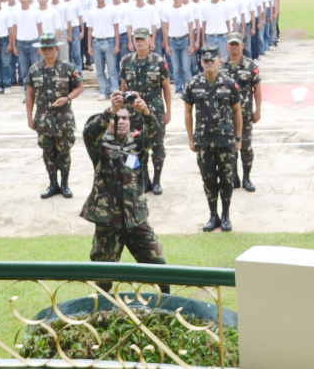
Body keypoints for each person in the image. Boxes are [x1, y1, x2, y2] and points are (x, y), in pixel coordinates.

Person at [80, 91, 169, 294]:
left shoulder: (136, 143)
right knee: (103, 274)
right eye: (117, 118)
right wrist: (111, 110)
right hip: (108, 220)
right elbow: (89, 132)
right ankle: (102, 308)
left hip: (135, 217)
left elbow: (155, 132)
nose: (121, 121)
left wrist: (145, 112)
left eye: (125, 118)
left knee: (159, 266)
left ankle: (166, 305)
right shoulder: (99, 144)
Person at [184, 44, 241, 232]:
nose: (209, 63)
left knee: (226, 179)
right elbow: (188, 111)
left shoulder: (229, 83)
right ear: (201, 62)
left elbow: (237, 111)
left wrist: (238, 138)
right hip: (204, 141)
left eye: (212, 60)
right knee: (208, 180)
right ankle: (213, 215)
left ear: (220, 61)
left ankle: (225, 215)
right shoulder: (193, 84)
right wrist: (191, 138)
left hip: (225, 140)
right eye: (205, 60)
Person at [26, 32, 84, 199]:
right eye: (44, 48)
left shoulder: (67, 68)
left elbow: (80, 87)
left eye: (50, 48)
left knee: (64, 153)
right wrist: (29, 118)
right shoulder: (34, 70)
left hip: (63, 119)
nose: (47, 51)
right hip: (43, 120)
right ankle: (53, 184)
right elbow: (30, 94)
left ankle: (64, 184)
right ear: (40, 50)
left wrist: (67, 98)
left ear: (56, 48)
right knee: (48, 154)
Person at [120, 27, 172, 195]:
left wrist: (168, 112)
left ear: (150, 40)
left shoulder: (159, 61)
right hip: (132, 113)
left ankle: (156, 181)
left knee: (158, 147)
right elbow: (123, 87)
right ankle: (143, 180)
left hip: (154, 112)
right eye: (137, 39)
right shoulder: (126, 60)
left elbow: (166, 87)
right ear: (133, 41)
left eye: (143, 39)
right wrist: (121, 111)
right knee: (133, 148)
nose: (140, 42)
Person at [222, 32, 262, 192]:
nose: (234, 47)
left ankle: (246, 177)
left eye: (236, 44)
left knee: (245, 147)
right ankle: (234, 177)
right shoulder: (220, 66)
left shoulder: (251, 66)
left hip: (245, 114)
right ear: (226, 46)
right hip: (225, 115)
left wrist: (258, 110)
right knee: (229, 147)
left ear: (242, 46)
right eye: (231, 44)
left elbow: (257, 89)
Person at [85, 0, 120, 100]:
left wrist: (117, 45)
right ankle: (103, 91)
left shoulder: (112, 10)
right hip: (96, 42)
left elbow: (116, 29)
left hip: (109, 41)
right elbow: (90, 30)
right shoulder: (91, 12)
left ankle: (114, 91)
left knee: (112, 69)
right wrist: (89, 46)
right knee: (99, 70)